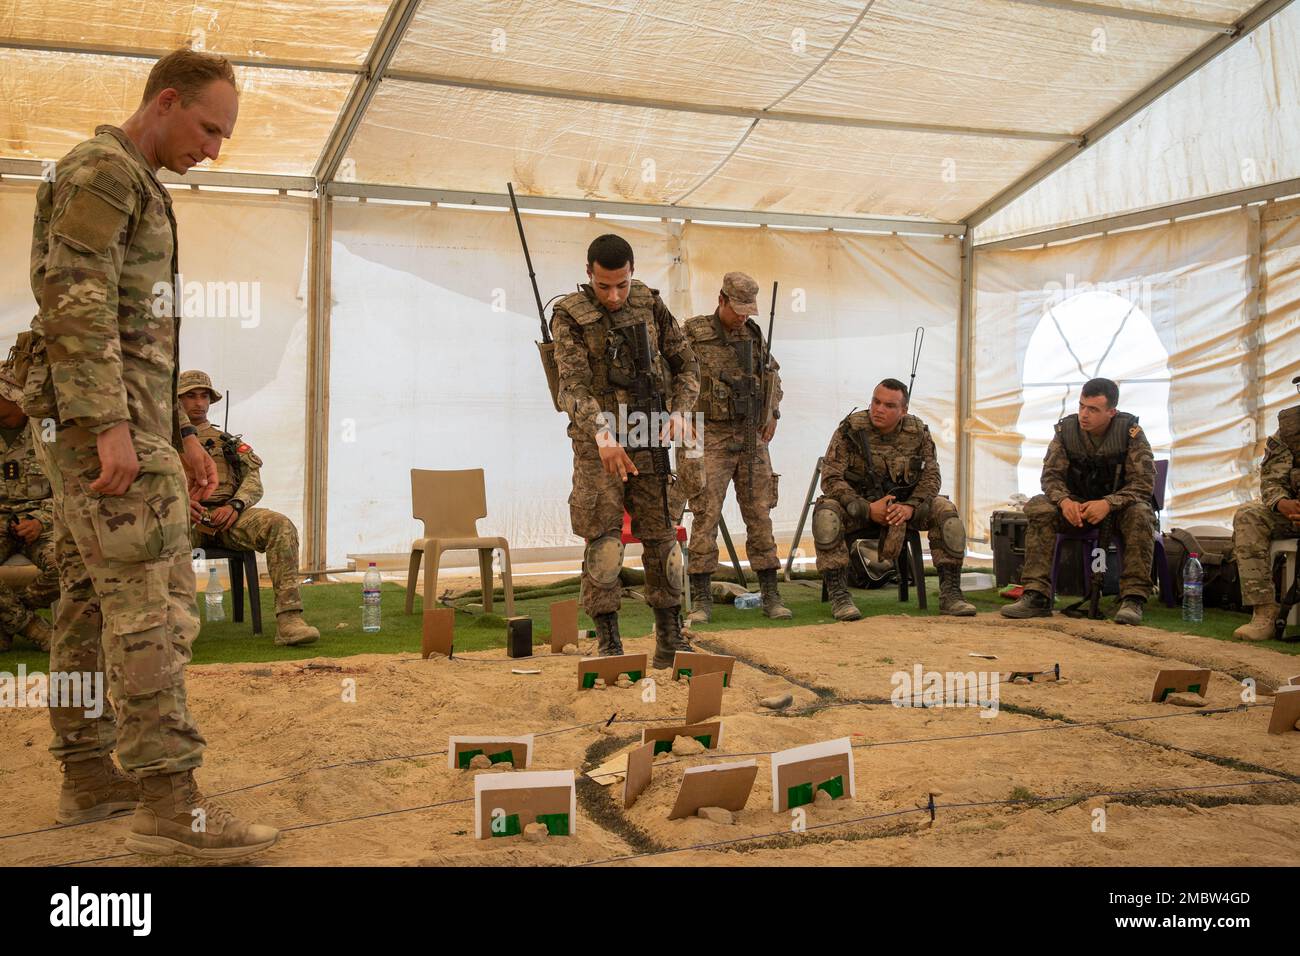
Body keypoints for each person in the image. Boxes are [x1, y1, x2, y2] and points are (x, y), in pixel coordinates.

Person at [27, 48, 278, 857]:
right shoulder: (104, 170)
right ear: (164, 101)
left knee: (91, 601)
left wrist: (176, 429)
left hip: (124, 425)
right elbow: (76, 300)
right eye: (208, 128)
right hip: (106, 433)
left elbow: (137, 335)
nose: (215, 148)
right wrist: (110, 425)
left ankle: (89, 772)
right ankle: (169, 797)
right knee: (152, 607)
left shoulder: (137, 183)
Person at [550, 233, 700, 667]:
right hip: (600, 441)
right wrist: (602, 436)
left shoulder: (650, 303)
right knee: (605, 543)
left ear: (632, 272)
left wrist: (680, 411)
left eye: (621, 284)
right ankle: (609, 642)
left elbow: (686, 363)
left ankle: (670, 639)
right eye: (604, 286)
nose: (614, 296)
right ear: (588, 275)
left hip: (650, 431)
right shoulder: (569, 315)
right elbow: (572, 388)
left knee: (663, 541)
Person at [814, 379, 975, 621]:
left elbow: (931, 477)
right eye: (876, 402)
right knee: (826, 515)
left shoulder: (918, 432)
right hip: (860, 506)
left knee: (947, 512)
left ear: (904, 410)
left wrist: (911, 507)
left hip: (905, 507)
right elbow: (830, 478)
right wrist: (866, 508)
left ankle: (950, 594)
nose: (879, 409)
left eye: (889, 405)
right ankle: (840, 596)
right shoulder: (851, 430)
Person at [179, 370, 318, 646]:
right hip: (184, 520)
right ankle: (170, 623)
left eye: (204, 395)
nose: (198, 403)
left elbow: (253, 481)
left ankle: (289, 620)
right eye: (190, 396)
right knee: (152, 536)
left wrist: (235, 505)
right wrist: (181, 505)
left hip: (229, 517)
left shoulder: (229, 442)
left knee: (280, 524)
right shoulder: (163, 441)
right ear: (177, 401)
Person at [1001, 377, 1155, 624]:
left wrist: (1108, 503)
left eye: (1093, 409)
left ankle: (1133, 598)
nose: (1084, 414)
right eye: (1082, 406)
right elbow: (1050, 477)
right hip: (1075, 509)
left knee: (1141, 513)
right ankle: (1036, 594)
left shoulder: (1130, 433)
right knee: (1040, 506)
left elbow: (1144, 483)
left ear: (1111, 412)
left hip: (1116, 512)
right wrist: (1064, 501)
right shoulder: (1066, 432)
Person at [683, 271, 790, 622]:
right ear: (721, 299)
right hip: (707, 434)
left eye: (749, 309)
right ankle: (700, 596)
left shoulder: (754, 335)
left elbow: (774, 378)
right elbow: (673, 377)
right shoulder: (693, 334)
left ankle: (771, 593)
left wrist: (772, 411)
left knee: (760, 514)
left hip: (749, 435)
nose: (743, 316)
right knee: (706, 514)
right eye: (738, 308)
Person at [0, 351, 57, 652]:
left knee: (68, 565)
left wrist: (41, 521)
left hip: (43, 520)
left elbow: (67, 488)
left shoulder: (46, 429)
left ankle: (10, 617)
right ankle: (34, 629)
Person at [1230, 400, 1300, 640]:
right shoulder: (1291, 429)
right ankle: (1264, 612)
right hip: (1293, 513)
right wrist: (1282, 503)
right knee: (1248, 516)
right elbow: (1271, 479)